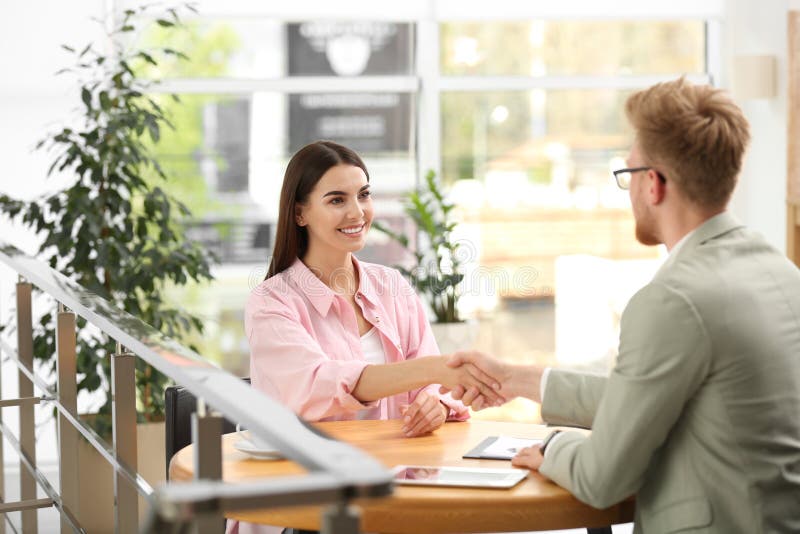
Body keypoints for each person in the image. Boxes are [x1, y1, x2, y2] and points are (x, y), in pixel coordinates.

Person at [443, 78, 800, 533]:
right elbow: (650, 396)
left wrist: (553, 449)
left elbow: (601, 478)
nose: (627, 190)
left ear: (653, 184)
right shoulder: (779, 271)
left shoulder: (672, 300)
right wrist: (516, 379)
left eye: (627, 174)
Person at [229, 140, 501, 534]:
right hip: (306, 505)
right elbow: (317, 385)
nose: (357, 212)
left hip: (395, 494)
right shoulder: (271, 303)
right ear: (300, 213)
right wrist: (430, 370)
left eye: (364, 195)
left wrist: (436, 404)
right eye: (337, 200)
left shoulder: (391, 285)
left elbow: (435, 388)